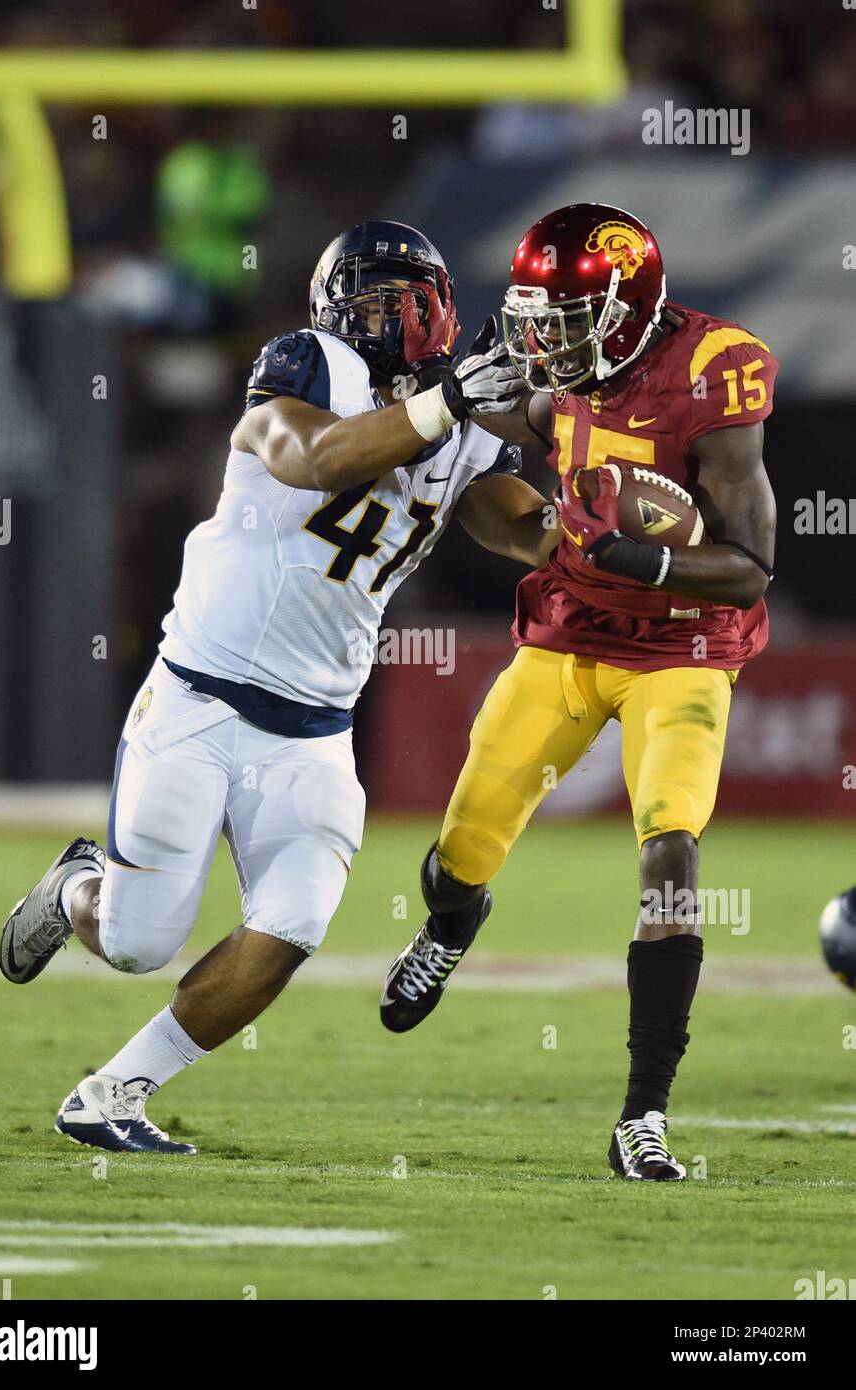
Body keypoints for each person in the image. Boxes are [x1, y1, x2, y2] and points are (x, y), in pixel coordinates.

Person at [0, 220, 554, 1154]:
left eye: (411, 292)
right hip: (200, 698)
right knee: (138, 943)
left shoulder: (460, 422)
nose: (397, 312)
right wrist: (449, 402)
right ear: (337, 308)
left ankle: (114, 1093)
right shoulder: (306, 363)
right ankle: (74, 890)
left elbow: (525, 532)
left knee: (291, 926)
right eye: (375, 294)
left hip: (314, 731)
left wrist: (603, 505)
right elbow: (318, 459)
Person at [381, 202, 778, 1182]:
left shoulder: (712, 374)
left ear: (624, 310)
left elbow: (749, 568)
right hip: (567, 634)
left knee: (671, 855)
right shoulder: (561, 374)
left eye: (561, 319)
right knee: (458, 852)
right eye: (533, 315)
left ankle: (642, 1115)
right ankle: (452, 923)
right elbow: (521, 413)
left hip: (682, 647)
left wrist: (634, 557)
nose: (539, 339)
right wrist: (445, 396)